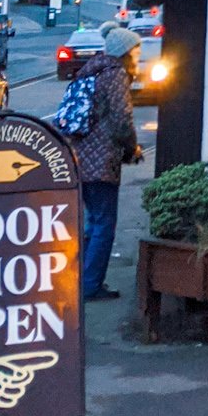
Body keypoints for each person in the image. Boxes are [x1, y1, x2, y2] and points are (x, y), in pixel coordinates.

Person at [69, 25, 143, 302]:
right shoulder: (115, 76)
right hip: (101, 161)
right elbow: (122, 120)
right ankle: (90, 286)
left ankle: (82, 280)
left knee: (92, 222)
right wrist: (132, 147)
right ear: (124, 51)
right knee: (103, 224)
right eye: (135, 50)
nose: (138, 54)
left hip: (79, 158)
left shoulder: (90, 70)